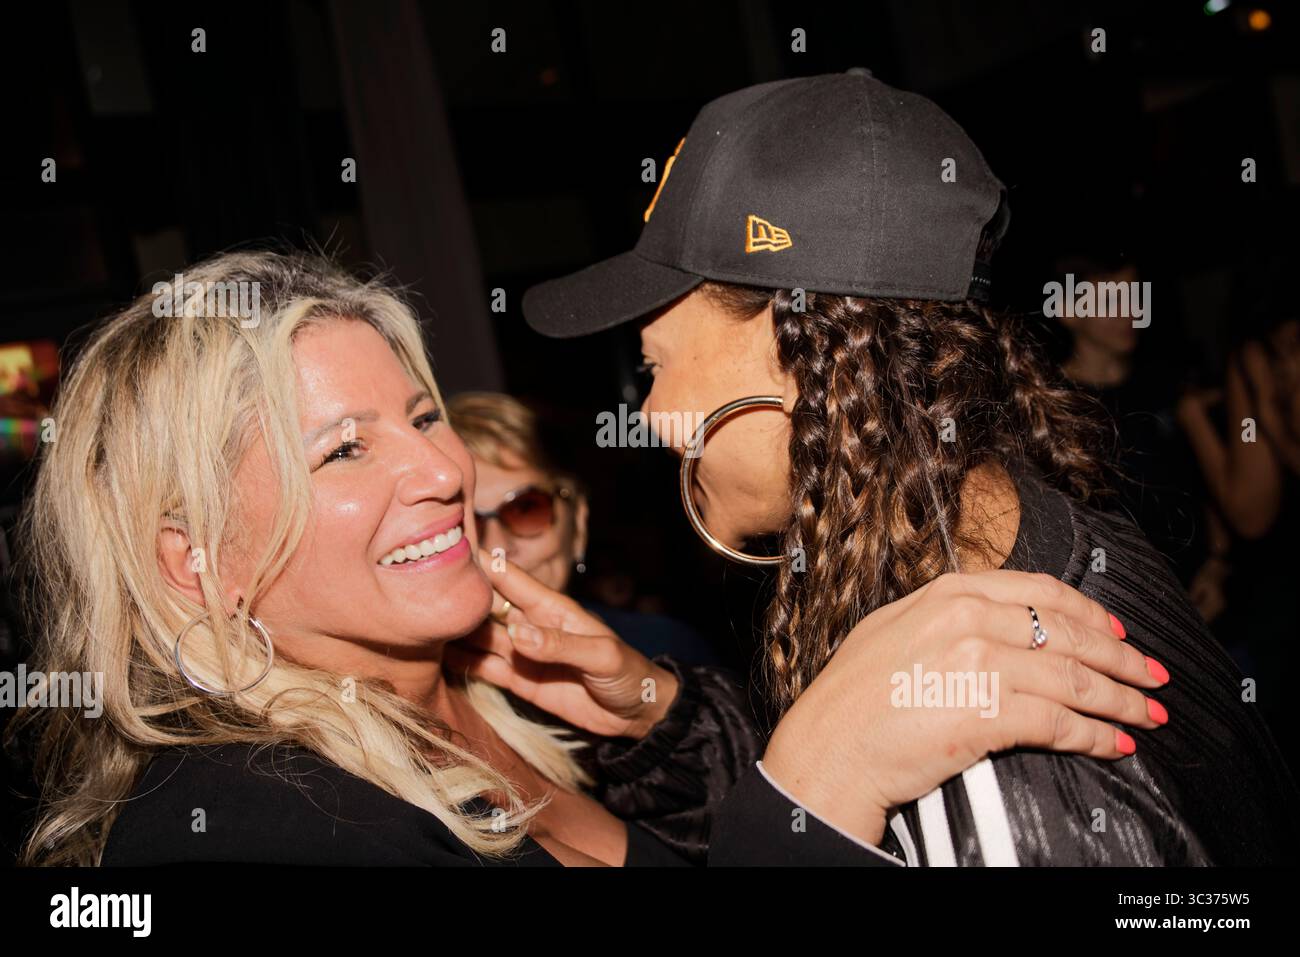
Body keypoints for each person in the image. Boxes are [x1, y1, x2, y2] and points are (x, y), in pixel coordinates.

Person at [6, 250, 1159, 868]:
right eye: (344, 449)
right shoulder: (240, 829)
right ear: (191, 562)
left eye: (420, 415)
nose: (441, 473)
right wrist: (816, 789)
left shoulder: (479, 710)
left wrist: (652, 714)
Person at [520, 71, 1300, 864]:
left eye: (655, 366)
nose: (648, 416)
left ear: (794, 354)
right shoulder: (1015, 529)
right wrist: (660, 718)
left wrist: (791, 810)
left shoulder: (989, 767)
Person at [447, 391, 719, 665]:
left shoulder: (668, 653)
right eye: (468, 521)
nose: (498, 548)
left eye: (526, 508)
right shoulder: (430, 686)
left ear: (577, 520)